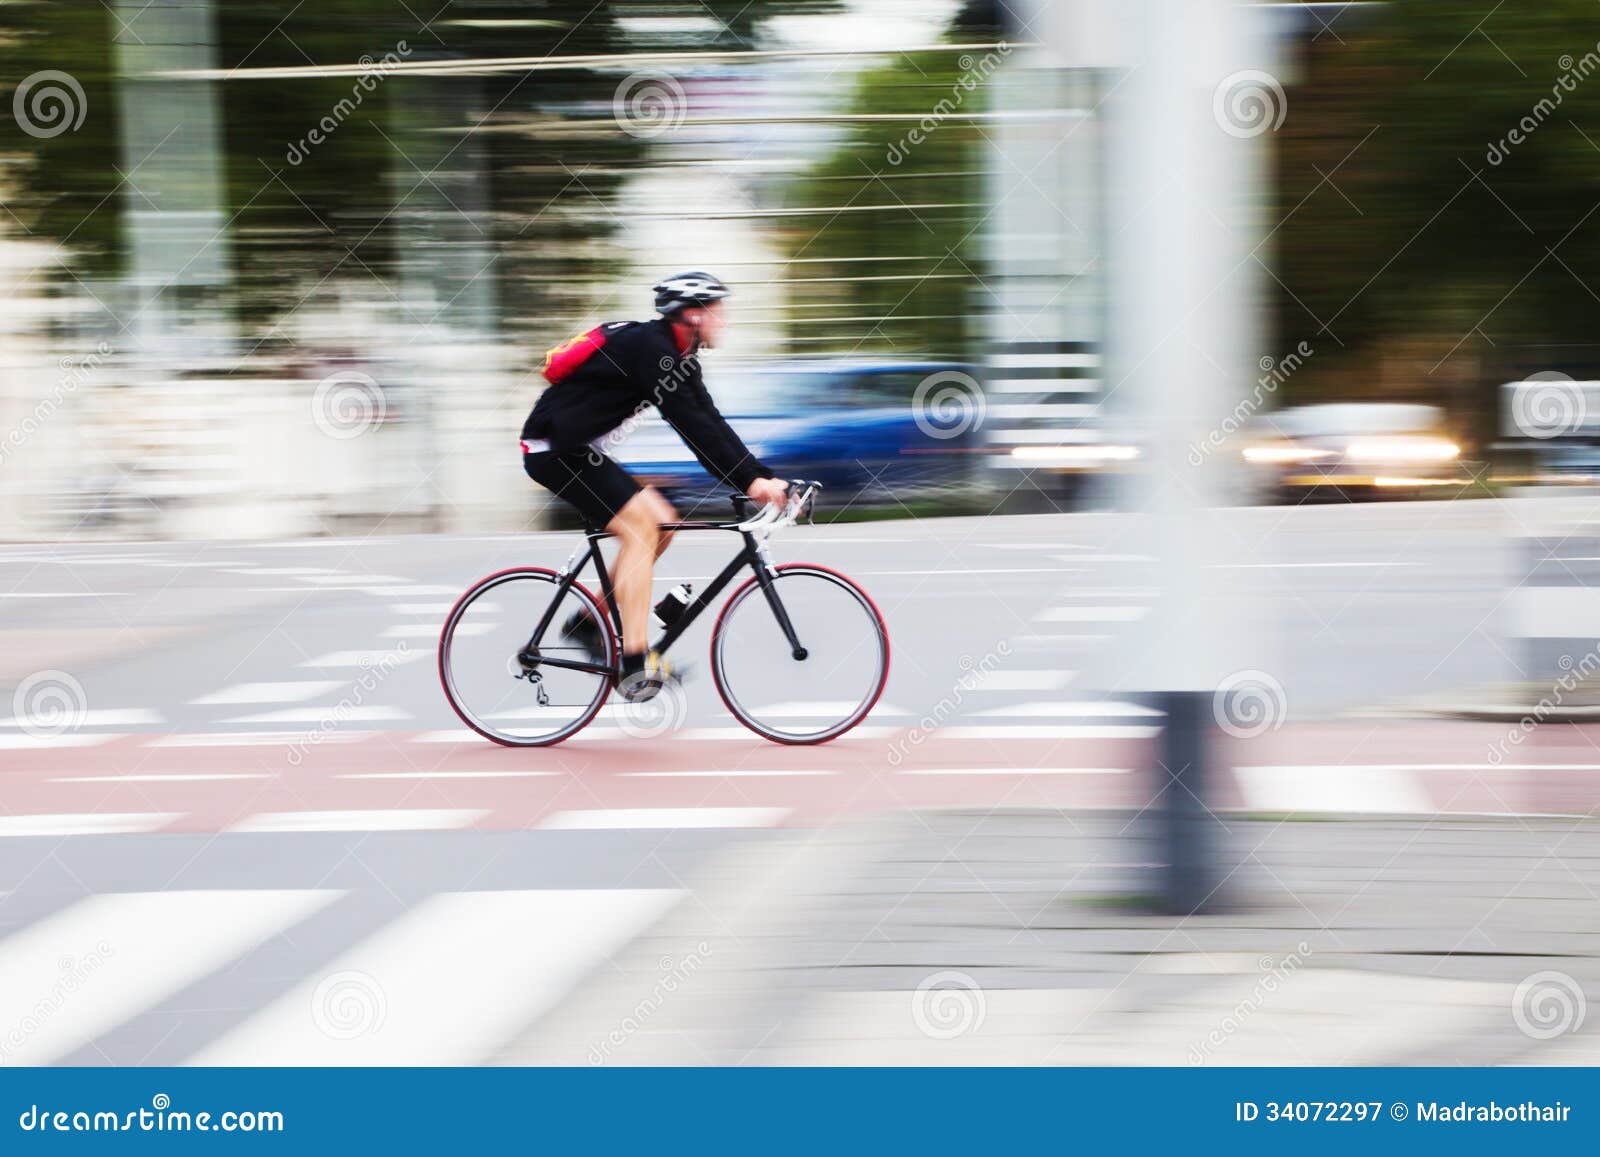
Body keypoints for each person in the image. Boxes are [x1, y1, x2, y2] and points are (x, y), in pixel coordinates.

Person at [520, 272, 788, 700]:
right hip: (554, 451)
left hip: (578, 450)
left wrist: (760, 475)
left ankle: (587, 625)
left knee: (663, 522)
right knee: (641, 529)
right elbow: (693, 428)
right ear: (693, 314)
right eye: (718, 312)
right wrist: (751, 481)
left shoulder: (677, 357)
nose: (725, 322)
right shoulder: (653, 351)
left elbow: (710, 423)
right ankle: (634, 661)